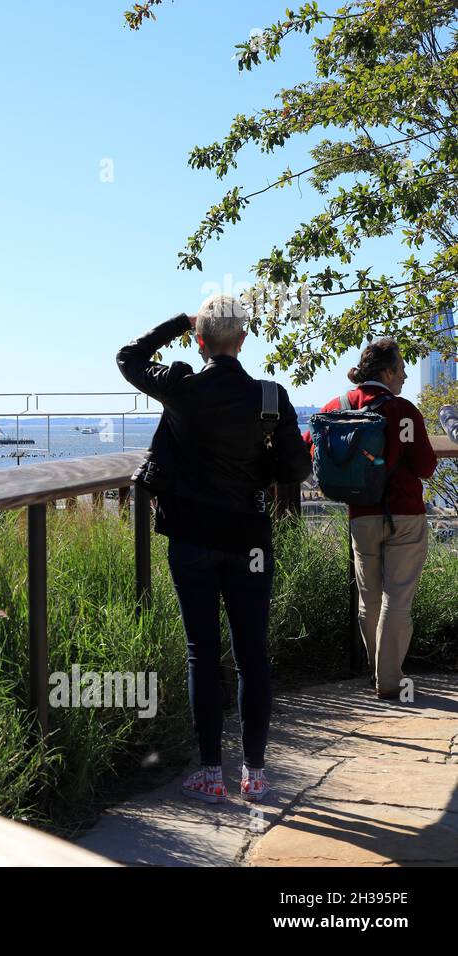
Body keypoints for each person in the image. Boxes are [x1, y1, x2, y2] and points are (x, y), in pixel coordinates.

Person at [117, 295, 311, 804]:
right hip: (249, 541)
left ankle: (208, 772)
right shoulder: (271, 398)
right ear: (243, 341)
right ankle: (255, 774)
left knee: (202, 653)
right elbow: (297, 471)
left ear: (199, 342)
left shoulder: (181, 389)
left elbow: (128, 358)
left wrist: (179, 322)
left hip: (192, 537)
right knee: (253, 656)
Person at [305, 338, 436, 701]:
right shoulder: (403, 411)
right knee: (398, 598)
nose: (406, 376)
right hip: (405, 515)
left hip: (361, 516)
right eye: (402, 369)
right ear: (389, 372)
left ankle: (376, 669)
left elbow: (308, 446)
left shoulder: (337, 407)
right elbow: (425, 466)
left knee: (369, 598)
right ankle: (390, 680)